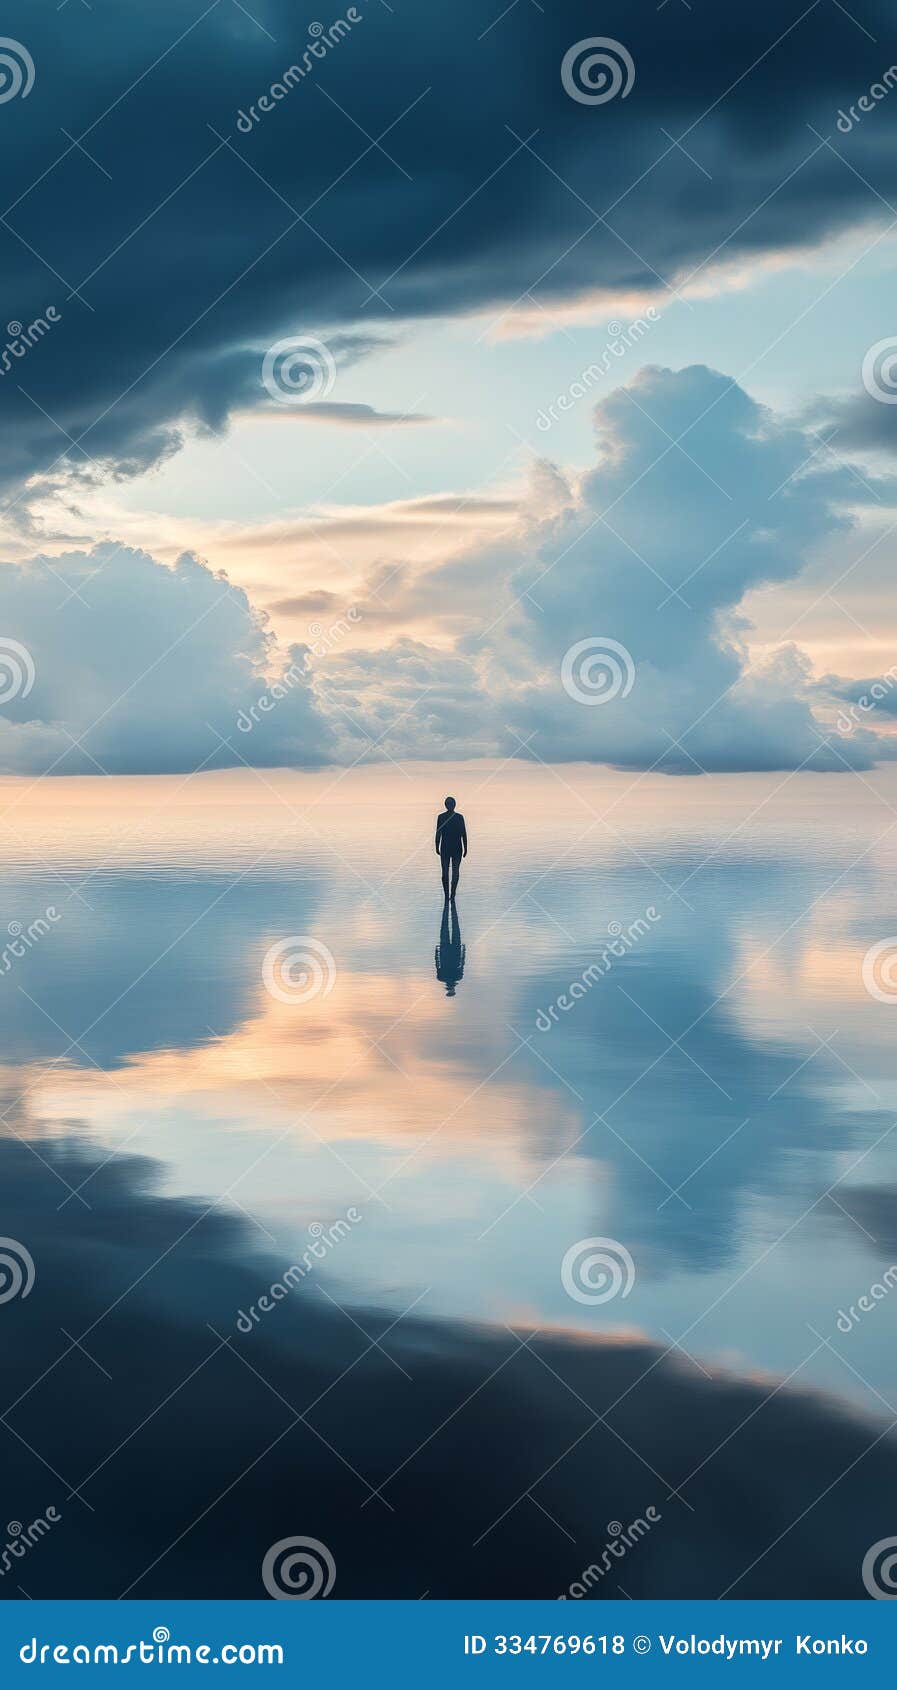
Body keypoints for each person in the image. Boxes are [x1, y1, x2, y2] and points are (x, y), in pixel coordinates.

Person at [434, 796, 467, 900]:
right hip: (445, 848)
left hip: (456, 848)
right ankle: (447, 894)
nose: (450, 806)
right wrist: (436, 845)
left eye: (451, 804)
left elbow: (463, 833)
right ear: (446, 805)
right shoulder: (441, 817)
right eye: (448, 804)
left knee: (455, 872)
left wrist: (466, 848)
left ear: (454, 805)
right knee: (445, 873)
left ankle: (452, 893)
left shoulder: (459, 817)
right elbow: (438, 832)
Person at [435, 900, 465, 997]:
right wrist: (436, 952)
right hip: (450, 951)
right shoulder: (443, 977)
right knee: (449, 926)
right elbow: (462, 963)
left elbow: (437, 964)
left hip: (449, 951)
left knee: (450, 926)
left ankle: (448, 905)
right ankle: (450, 905)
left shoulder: (446, 977)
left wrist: (463, 951)